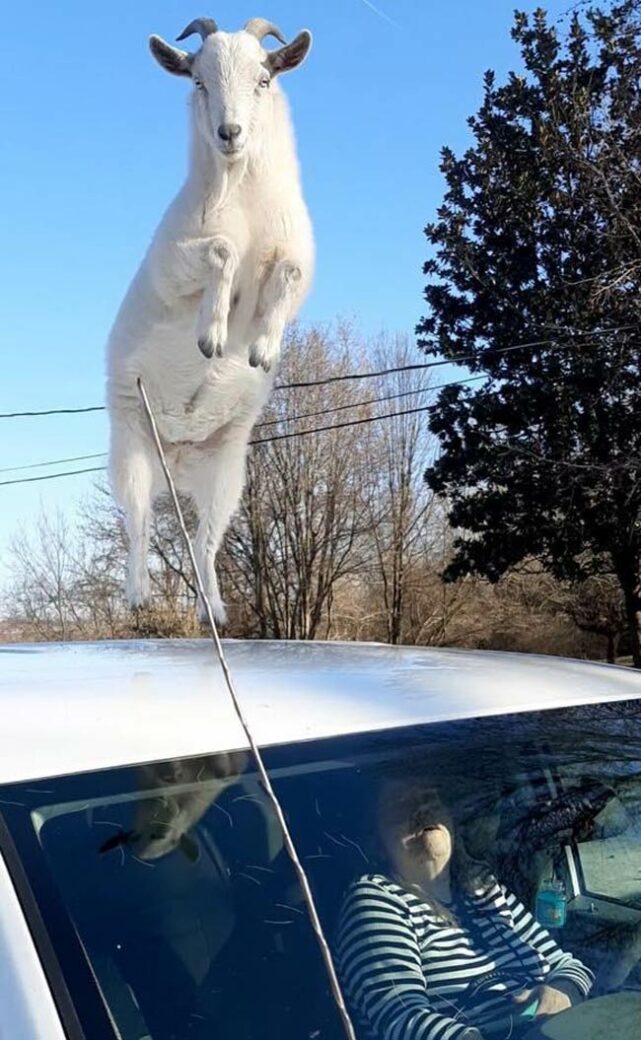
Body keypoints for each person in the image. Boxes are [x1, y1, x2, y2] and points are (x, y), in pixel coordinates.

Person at [336, 783, 593, 1040]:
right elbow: (402, 1020)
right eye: (402, 806)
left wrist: (563, 990)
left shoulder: (483, 887)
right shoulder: (375, 899)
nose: (422, 810)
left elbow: (568, 965)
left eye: (430, 799)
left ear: (450, 820)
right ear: (376, 841)